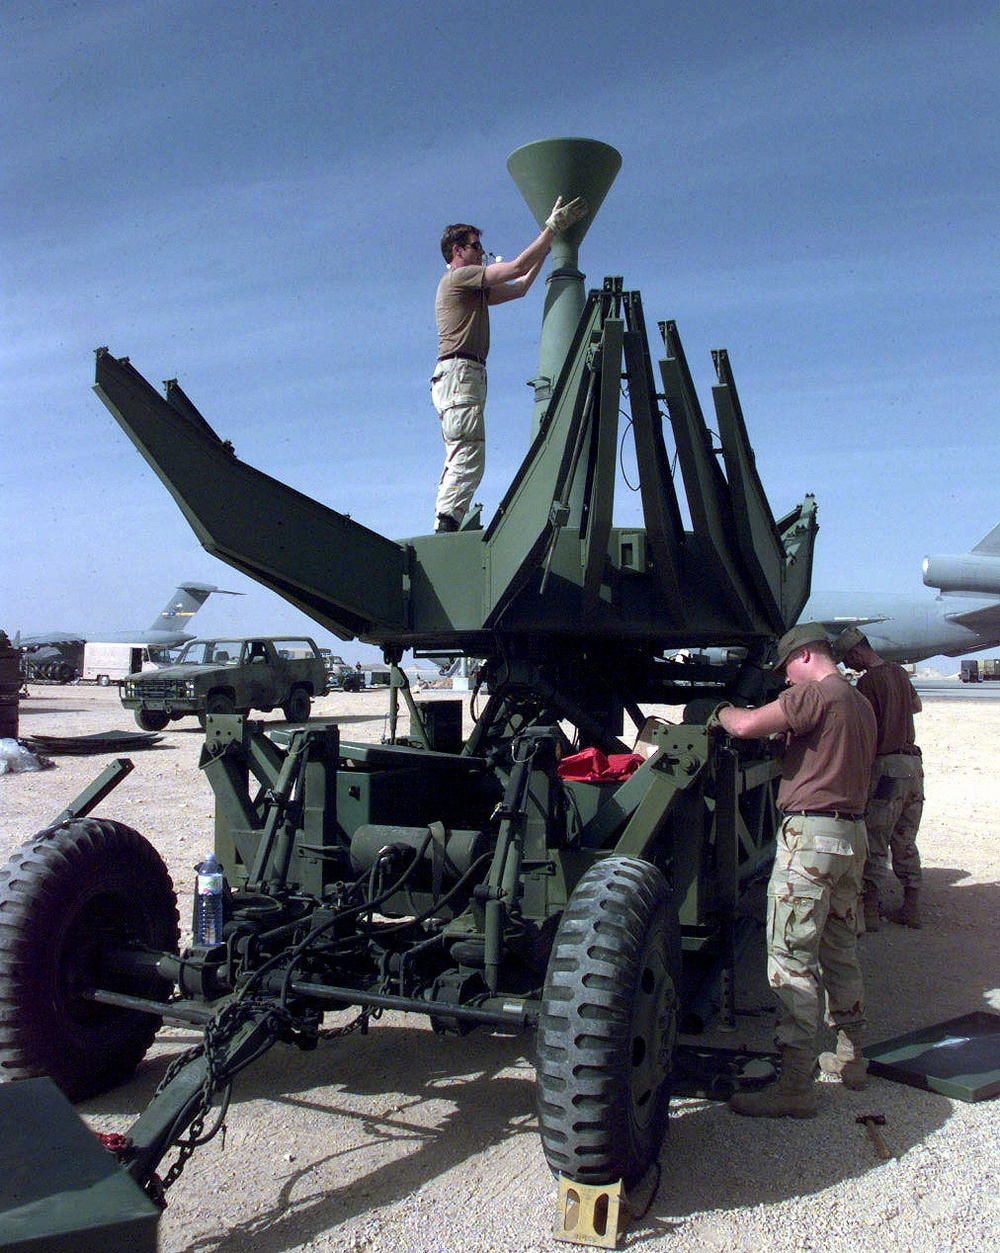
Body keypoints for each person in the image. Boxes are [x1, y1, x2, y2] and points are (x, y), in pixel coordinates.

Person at [713, 622, 877, 1116]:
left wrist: (720, 711)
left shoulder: (817, 696)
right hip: (851, 838)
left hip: (811, 841)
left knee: (791, 957)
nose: (785, 679)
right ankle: (851, 1058)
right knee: (840, 948)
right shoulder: (859, 703)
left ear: (805, 655)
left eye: (787, 667)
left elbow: (744, 726)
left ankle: (794, 1086)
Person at [431, 195, 588, 533]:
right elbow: (516, 267)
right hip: (461, 374)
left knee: (467, 452)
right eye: (475, 246)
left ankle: (447, 522)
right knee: (467, 452)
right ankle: (446, 527)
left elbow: (520, 287)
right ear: (457, 251)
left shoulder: (473, 290)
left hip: (463, 375)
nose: (481, 251)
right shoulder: (460, 279)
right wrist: (550, 230)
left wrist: (547, 247)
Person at [834, 625, 924, 930]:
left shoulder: (869, 682)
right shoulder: (899, 672)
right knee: (905, 837)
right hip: (913, 767)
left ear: (858, 652)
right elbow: (916, 706)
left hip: (886, 769)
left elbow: (860, 724)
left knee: (875, 837)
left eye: (847, 659)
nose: (847, 666)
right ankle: (911, 906)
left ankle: (869, 911)